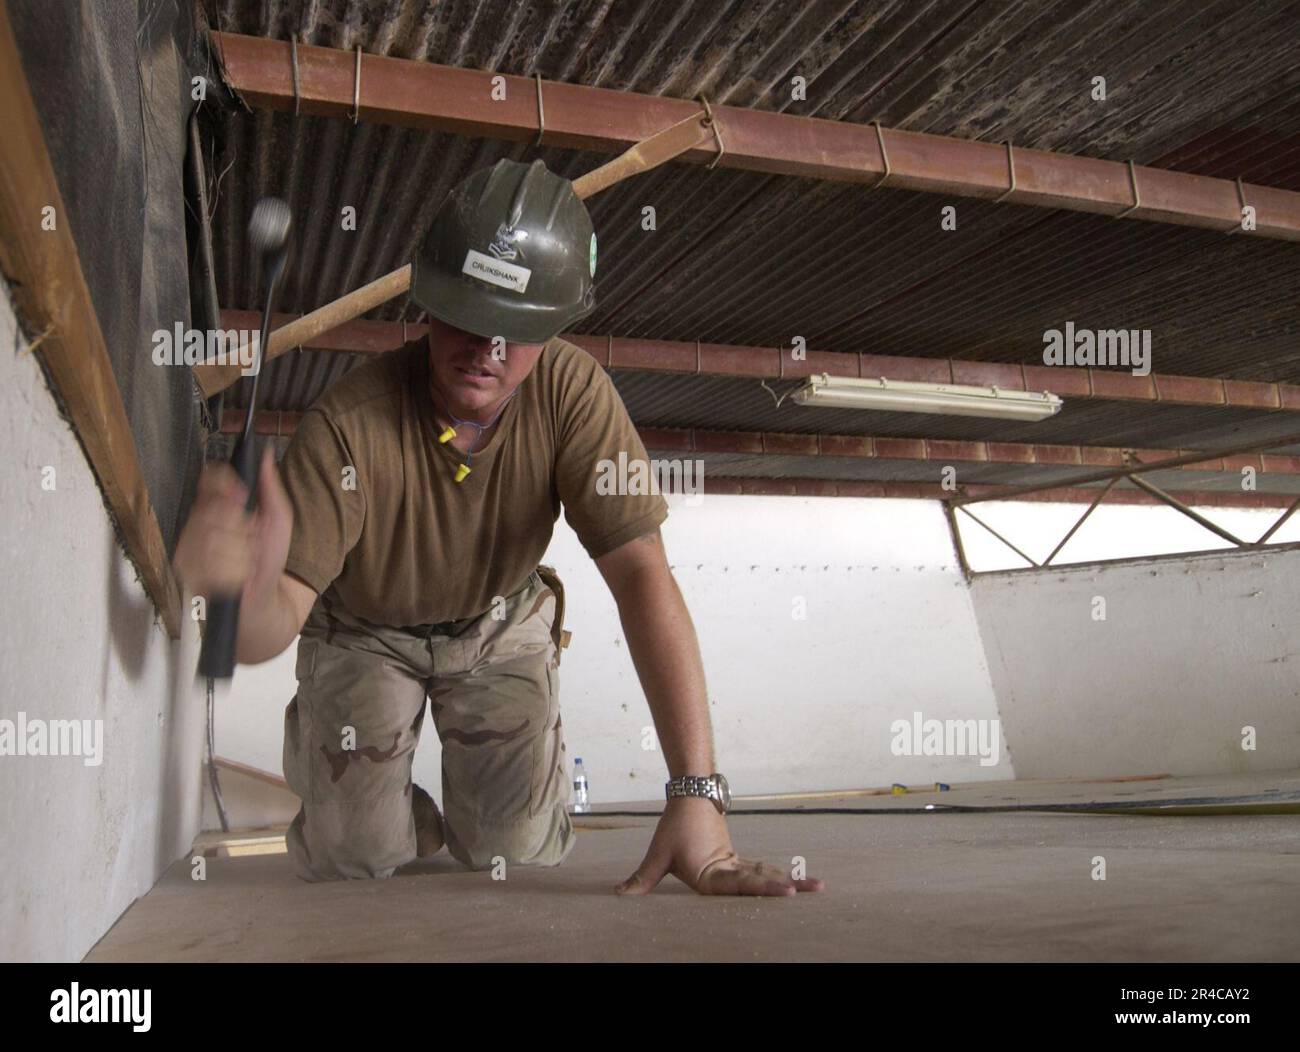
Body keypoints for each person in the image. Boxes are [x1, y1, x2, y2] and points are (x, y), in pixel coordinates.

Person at [174, 158, 823, 897]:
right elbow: (270, 623)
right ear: (427, 301)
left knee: (514, 852)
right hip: (363, 631)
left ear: (554, 327)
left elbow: (643, 575)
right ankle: (397, 816)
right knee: (351, 857)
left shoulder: (573, 394)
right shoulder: (348, 426)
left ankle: (450, 808)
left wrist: (696, 794)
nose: (488, 350)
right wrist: (235, 593)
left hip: (496, 621)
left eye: (516, 330)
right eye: (470, 317)